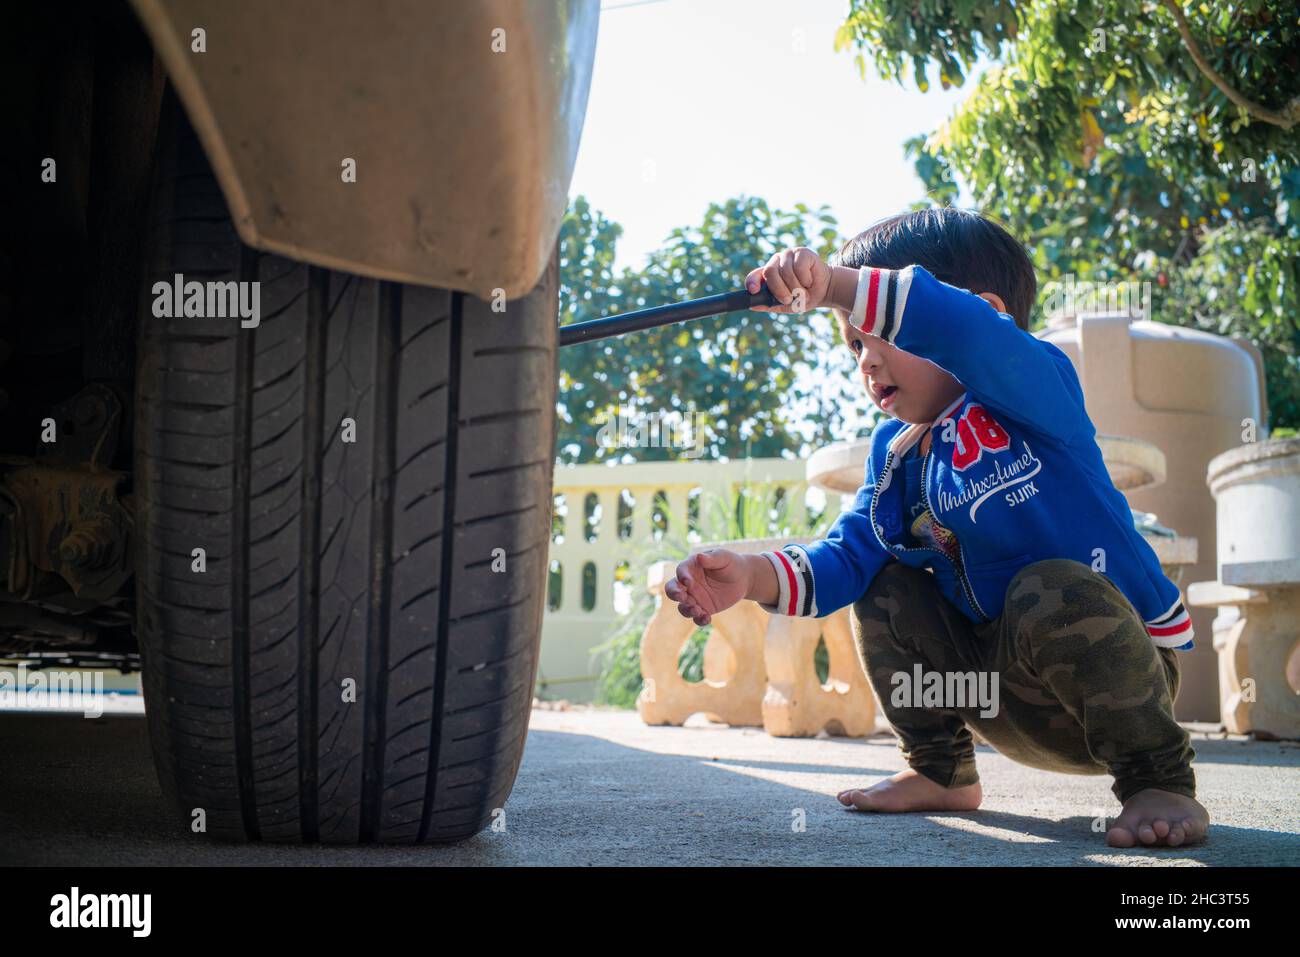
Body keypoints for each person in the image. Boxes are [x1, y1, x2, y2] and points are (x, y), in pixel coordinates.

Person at [664, 208, 1209, 848]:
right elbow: (847, 553)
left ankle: (1157, 778)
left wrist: (836, 284)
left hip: (1119, 679)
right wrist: (752, 576)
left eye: (878, 333)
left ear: (983, 310)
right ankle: (940, 768)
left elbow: (970, 336)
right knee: (886, 581)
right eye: (855, 344)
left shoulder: (1035, 385)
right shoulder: (896, 453)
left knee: (1052, 586)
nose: (867, 362)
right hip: (995, 692)